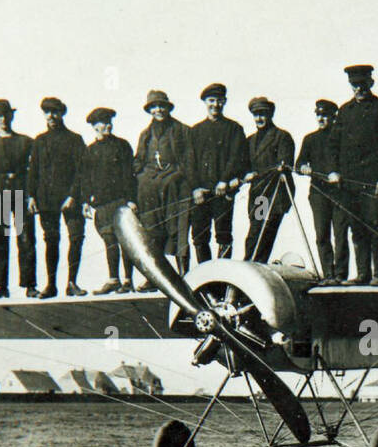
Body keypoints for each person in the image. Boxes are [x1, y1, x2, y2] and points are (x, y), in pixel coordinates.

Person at [327, 64, 378, 285]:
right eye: (354, 85)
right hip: (348, 182)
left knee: (375, 225)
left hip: (374, 181)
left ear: (371, 83)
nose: (359, 89)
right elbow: (333, 145)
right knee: (356, 228)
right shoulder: (344, 111)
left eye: (362, 84)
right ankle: (363, 274)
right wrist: (334, 171)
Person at [133, 90, 194, 287]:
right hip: (150, 191)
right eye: (154, 107)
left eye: (161, 106)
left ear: (168, 108)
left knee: (178, 229)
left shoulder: (181, 130)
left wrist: (176, 175)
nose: (158, 110)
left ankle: (185, 276)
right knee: (152, 232)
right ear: (149, 110)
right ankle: (155, 278)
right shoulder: (145, 134)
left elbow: (188, 160)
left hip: (175, 188)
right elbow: (139, 161)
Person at [27, 96, 87, 298]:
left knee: (76, 238)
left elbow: (81, 171)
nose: (51, 116)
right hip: (46, 200)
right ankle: (51, 285)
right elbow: (33, 171)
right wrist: (31, 197)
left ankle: (72, 283)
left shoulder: (74, 139)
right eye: (47, 112)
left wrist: (73, 196)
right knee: (51, 240)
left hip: (71, 199)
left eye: (55, 111)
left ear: (62, 113)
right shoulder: (39, 141)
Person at [75, 107, 138, 294]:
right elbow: (85, 178)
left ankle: (128, 281)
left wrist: (131, 200)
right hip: (102, 205)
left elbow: (130, 174)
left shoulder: (122, 145)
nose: (107, 125)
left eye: (109, 121)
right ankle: (113, 279)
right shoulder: (90, 151)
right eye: (103, 122)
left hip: (121, 202)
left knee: (125, 241)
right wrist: (85, 201)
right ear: (94, 126)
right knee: (109, 241)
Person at [0, 98, 36, 299]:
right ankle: (0, 286)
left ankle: (30, 285)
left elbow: (33, 171)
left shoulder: (26, 142)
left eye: (6, 115)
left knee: (26, 239)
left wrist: (31, 196)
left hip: (20, 192)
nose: (3, 119)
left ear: (12, 116)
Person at [188, 83, 249, 265]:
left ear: (225, 102)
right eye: (211, 100)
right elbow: (190, 162)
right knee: (199, 235)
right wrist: (195, 188)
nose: (215, 104)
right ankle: (206, 277)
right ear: (205, 102)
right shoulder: (195, 131)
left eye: (219, 101)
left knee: (223, 235)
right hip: (201, 195)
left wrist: (224, 181)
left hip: (223, 194)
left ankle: (222, 275)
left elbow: (236, 157)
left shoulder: (234, 129)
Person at [295, 99, 346, 283]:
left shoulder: (342, 138)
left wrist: (338, 174)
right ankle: (328, 274)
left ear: (333, 117)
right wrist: (303, 168)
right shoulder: (310, 139)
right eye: (318, 115)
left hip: (339, 192)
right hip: (318, 193)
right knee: (322, 234)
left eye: (325, 115)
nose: (321, 119)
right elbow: (298, 163)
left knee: (340, 234)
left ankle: (340, 274)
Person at [242, 97, 295, 263]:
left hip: (275, 194)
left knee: (265, 231)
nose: (259, 118)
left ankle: (254, 264)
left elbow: (284, 164)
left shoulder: (282, 136)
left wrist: (257, 173)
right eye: (256, 115)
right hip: (260, 195)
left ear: (270, 114)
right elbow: (244, 166)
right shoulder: (250, 140)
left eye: (263, 114)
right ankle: (252, 264)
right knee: (256, 231)